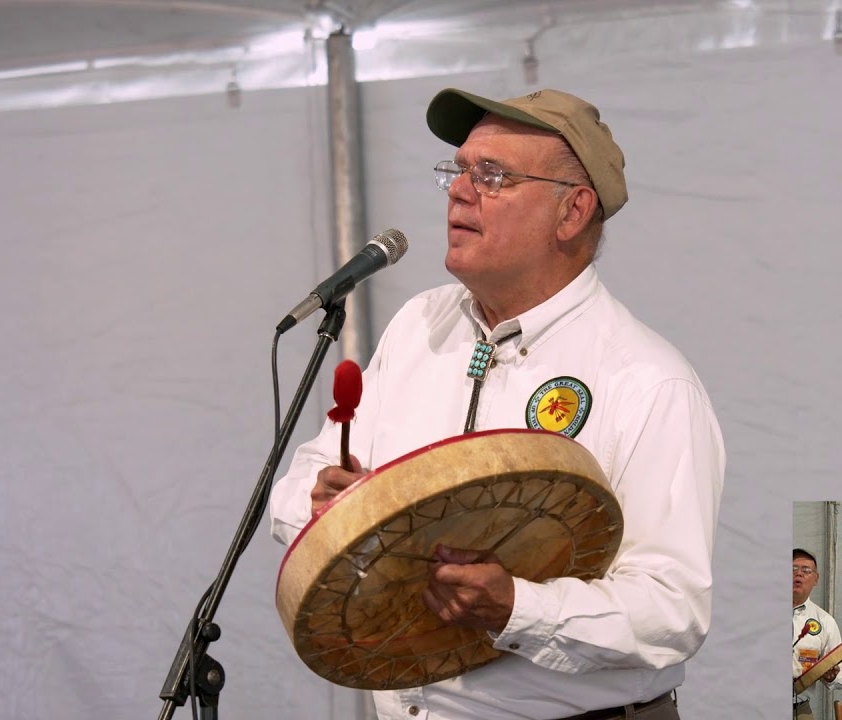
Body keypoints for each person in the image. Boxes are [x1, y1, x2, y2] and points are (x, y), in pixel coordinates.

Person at [268, 87, 726, 720]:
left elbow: (671, 611)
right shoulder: (418, 325)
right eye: (457, 171)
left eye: (492, 176)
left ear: (572, 212)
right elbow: (294, 489)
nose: (459, 191)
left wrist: (518, 608)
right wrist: (334, 507)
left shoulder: (647, 381)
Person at [791, 548, 842, 720]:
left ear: (816, 579)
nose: (799, 574)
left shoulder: (824, 621)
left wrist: (831, 675)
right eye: (792, 568)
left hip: (799, 710)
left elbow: (841, 677)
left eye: (806, 570)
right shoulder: (758, 612)